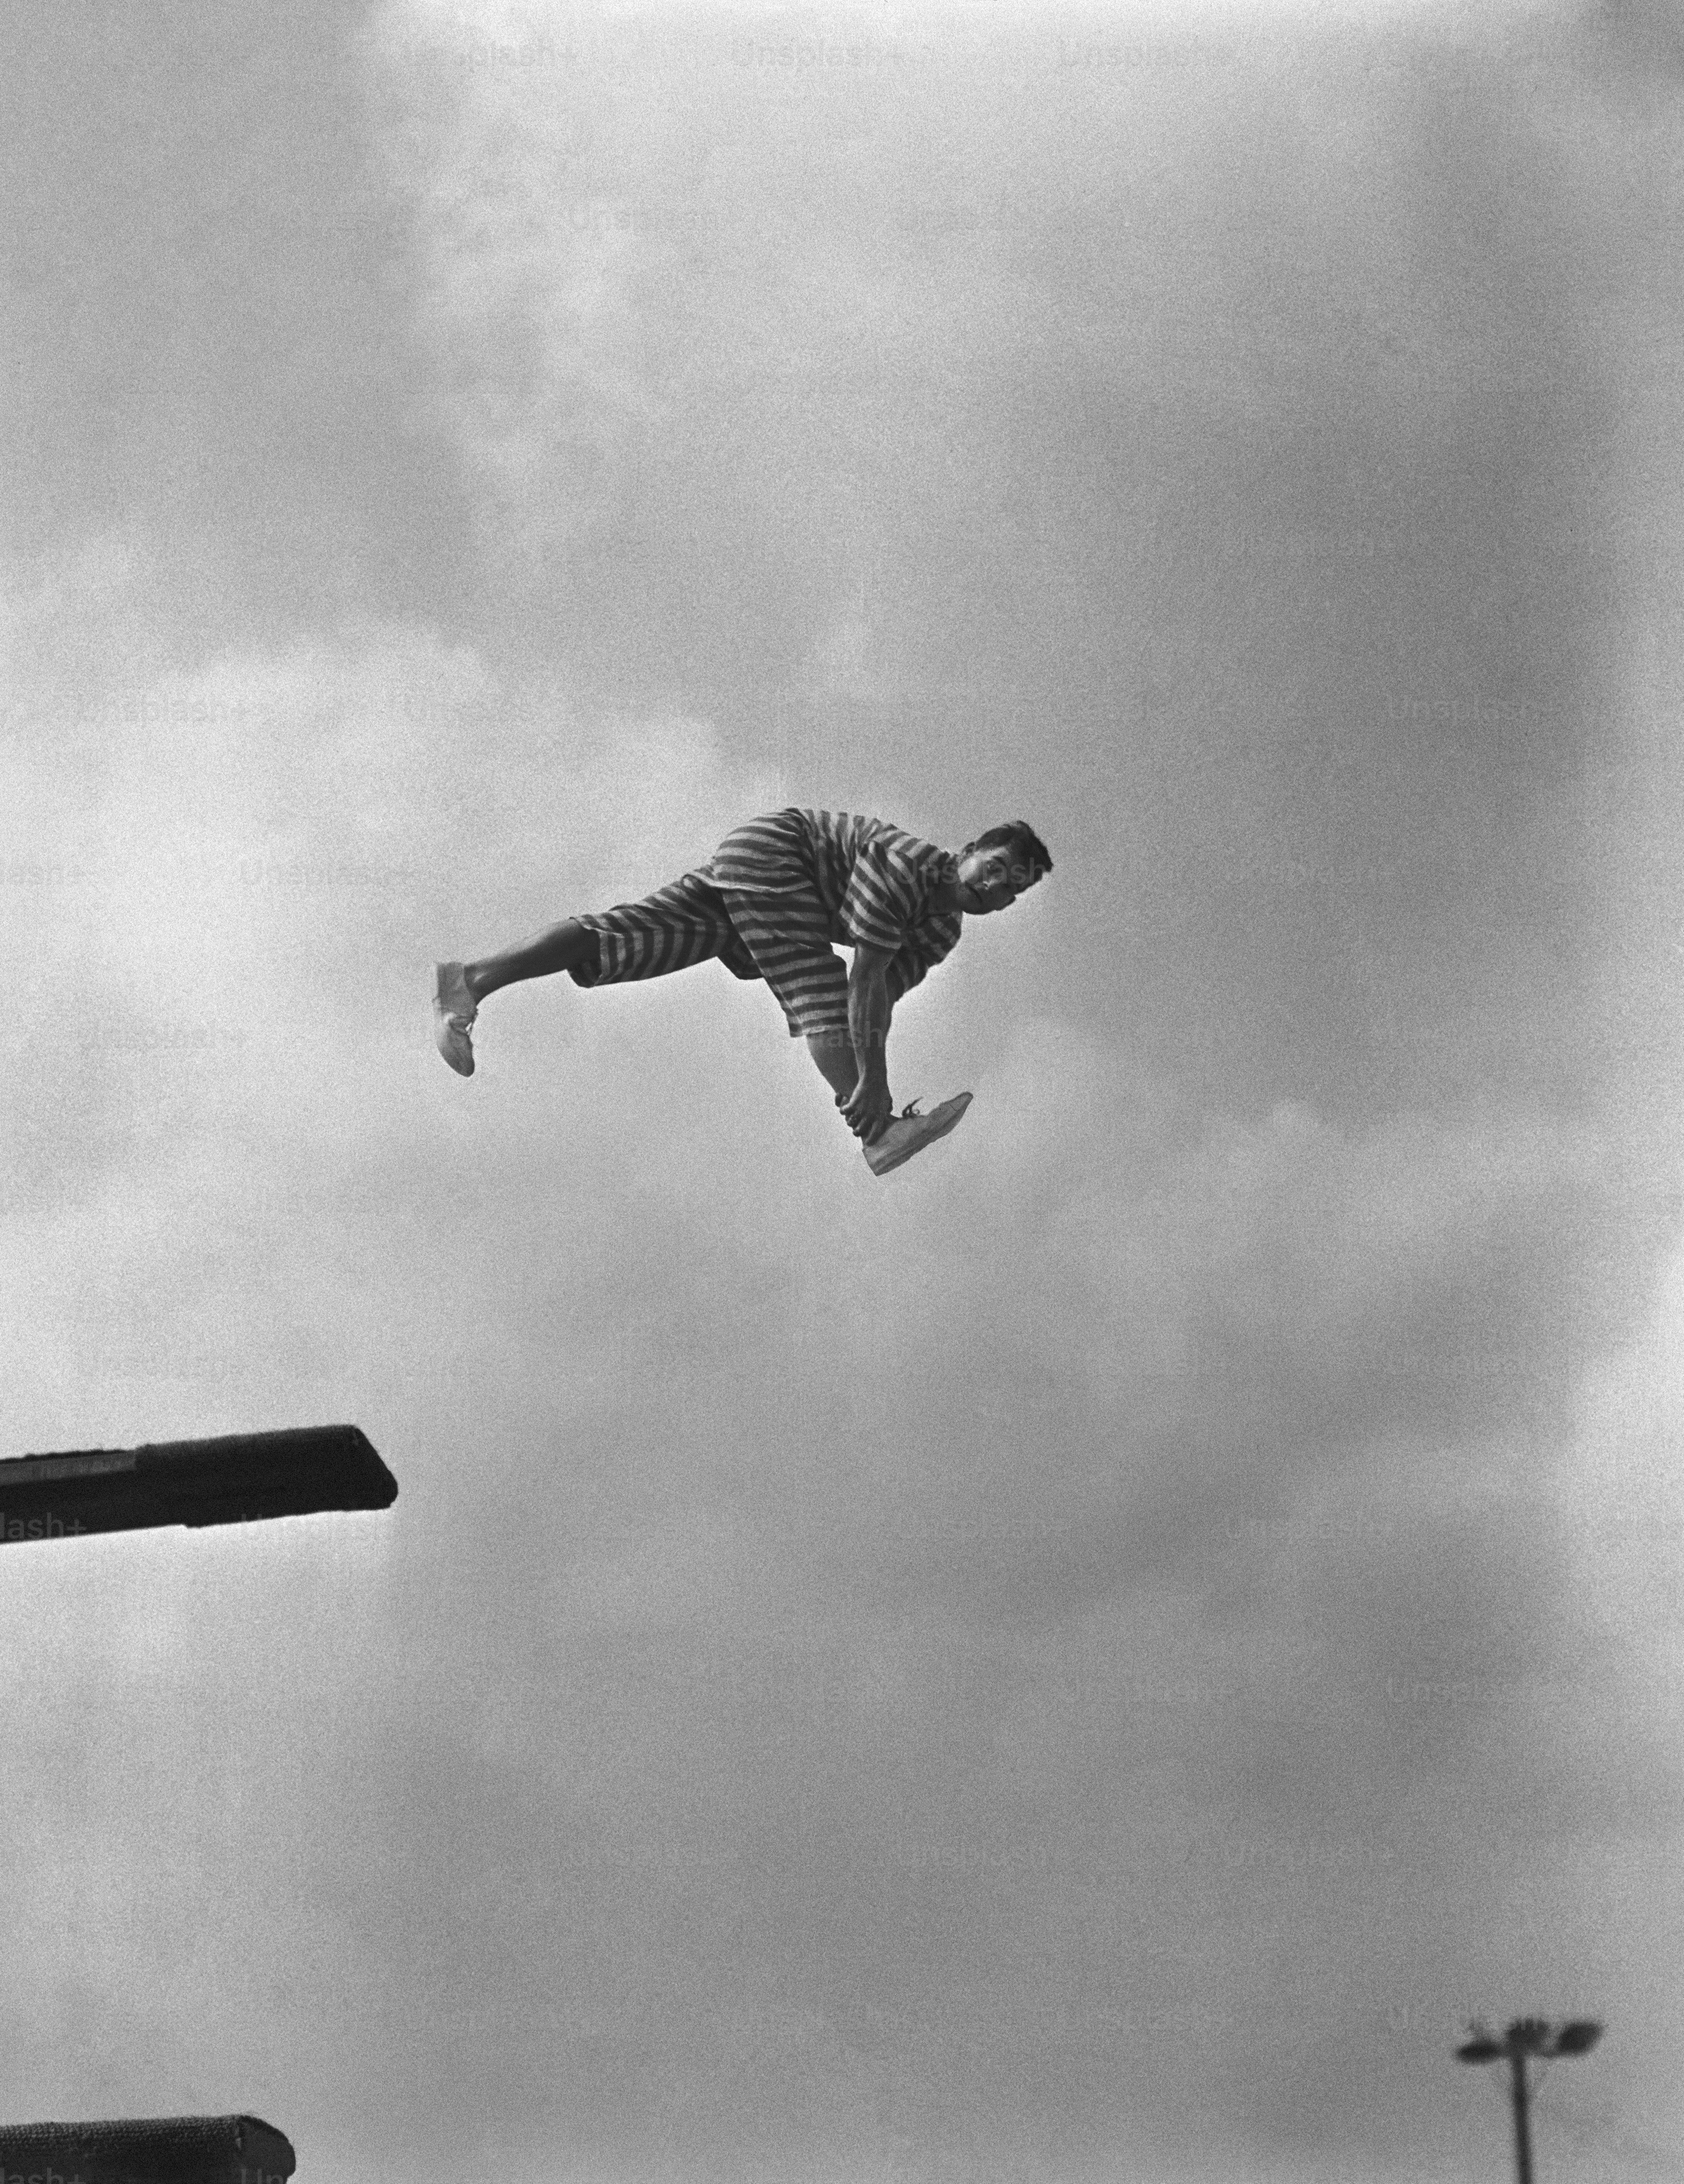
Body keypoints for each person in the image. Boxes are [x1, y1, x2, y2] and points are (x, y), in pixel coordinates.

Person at [432, 807, 1051, 1174]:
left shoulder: (943, 928)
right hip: (779, 858)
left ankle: (470, 983)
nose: (994, 889)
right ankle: (878, 1134)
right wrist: (872, 1086)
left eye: (1009, 891)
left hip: (772, 875)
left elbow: (881, 997)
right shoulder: (907, 867)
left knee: (629, 937)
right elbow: (860, 979)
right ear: (967, 852)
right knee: (818, 986)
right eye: (993, 869)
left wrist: (867, 1068)